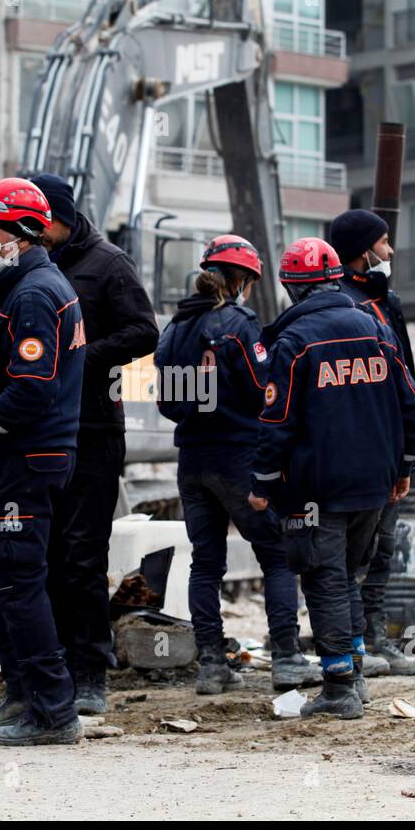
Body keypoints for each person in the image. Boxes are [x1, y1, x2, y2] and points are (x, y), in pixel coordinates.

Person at [248, 238, 415, 718]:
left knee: (324, 579)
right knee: (348, 575)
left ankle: (340, 686)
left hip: (315, 487)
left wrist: (262, 484)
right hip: (374, 482)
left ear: (291, 287)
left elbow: (276, 420)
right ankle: (356, 673)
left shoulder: (293, 341)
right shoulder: (374, 328)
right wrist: (405, 466)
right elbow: (411, 403)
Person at [154, 235, 321, 695]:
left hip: (191, 459)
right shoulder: (239, 324)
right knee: (277, 556)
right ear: (243, 280)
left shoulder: (173, 329)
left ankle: (211, 664)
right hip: (238, 457)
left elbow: (166, 402)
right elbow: (262, 390)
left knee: (205, 563)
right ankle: (286, 658)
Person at [0, 177, 88, 746]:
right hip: (13, 459)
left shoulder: (33, 294)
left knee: (16, 582)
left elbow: (32, 389)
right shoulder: (18, 288)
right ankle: (22, 688)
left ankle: (53, 710)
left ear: (23, 235)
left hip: (25, 459)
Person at [28, 172, 159, 714]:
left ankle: (90, 673)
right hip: (40, 431)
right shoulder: (33, 266)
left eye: (40, 224)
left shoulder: (108, 263)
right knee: (46, 555)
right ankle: (47, 664)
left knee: (82, 555)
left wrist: (82, 355)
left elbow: (144, 332)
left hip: (93, 429)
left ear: (60, 215)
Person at [328, 208, 415, 675]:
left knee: (382, 547)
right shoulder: (340, 306)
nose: (390, 251)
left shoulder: (389, 302)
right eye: (384, 242)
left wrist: (409, 452)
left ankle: (371, 637)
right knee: (354, 553)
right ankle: (352, 646)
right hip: (357, 451)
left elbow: (406, 379)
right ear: (362, 251)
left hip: (389, 449)